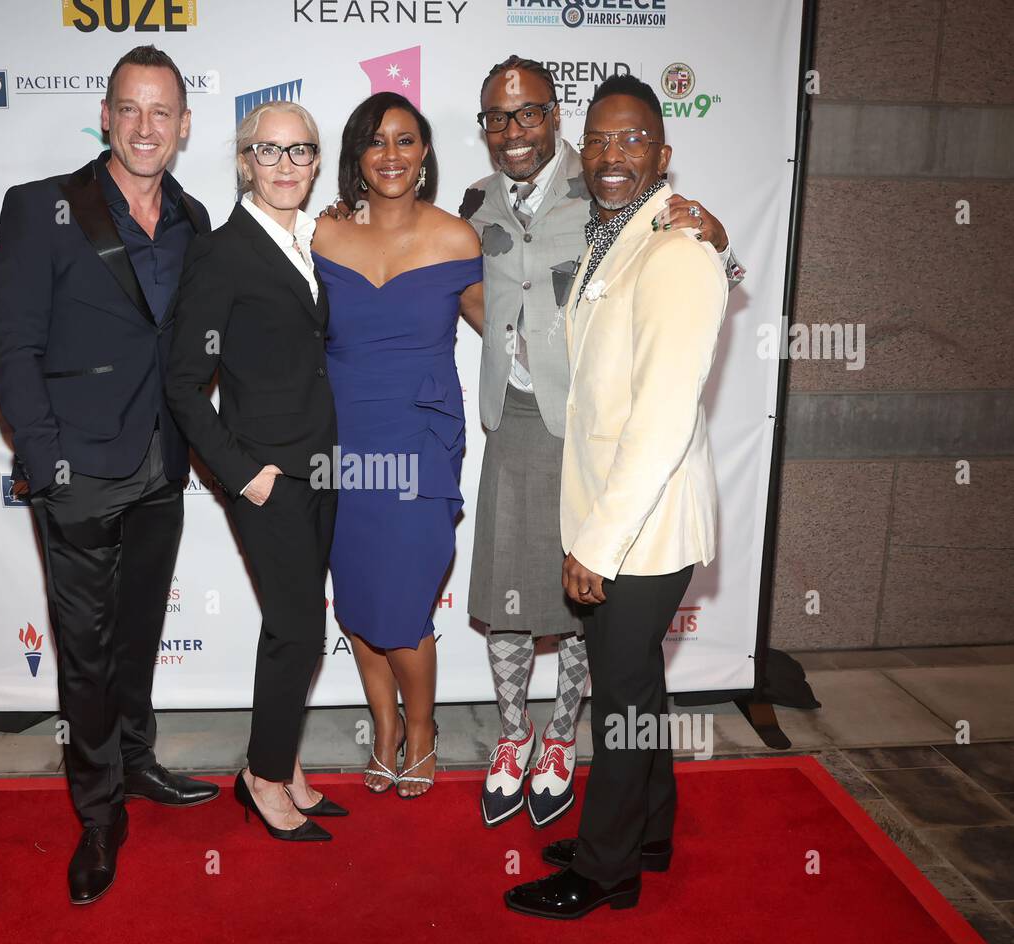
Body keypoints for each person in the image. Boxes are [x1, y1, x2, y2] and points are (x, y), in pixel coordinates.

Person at [458, 56, 742, 829]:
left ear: (555, 117)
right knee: (511, 600)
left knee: (592, 613)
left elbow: (690, 273)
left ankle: (560, 742)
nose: (513, 131)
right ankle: (514, 738)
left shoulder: (608, 192)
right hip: (515, 423)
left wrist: (718, 238)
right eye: (497, 117)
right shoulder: (473, 202)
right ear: (484, 127)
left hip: (590, 438)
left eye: (528, 114)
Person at [0, 46, 219, 906]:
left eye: (162, 112)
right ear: (106, 115)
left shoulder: (194, 217)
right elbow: (13, 344)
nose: (146, 127)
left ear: (184, 125)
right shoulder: (42, 207)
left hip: (161, 464)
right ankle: (96, 811)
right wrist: (43, 459)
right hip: (77, 470)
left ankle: (135, 758)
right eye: (131, 109)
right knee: (83, 653)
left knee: (135, 635)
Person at [166, 101, 347, 841]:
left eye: (300, 151)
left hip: (322, 469)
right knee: (300, 631)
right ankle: (262, 776)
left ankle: (285, 761)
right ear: (244, 161)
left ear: (314, 161)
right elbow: (183, 381)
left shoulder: (310, 240)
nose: (284, 165)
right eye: (267, 151)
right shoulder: (221, 251)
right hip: (268, 477)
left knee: (294, 627)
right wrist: (241, 473)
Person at [311, 92, 482, 798]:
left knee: (405, 606)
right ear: (356, 157)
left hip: (419, 442)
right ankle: (382, 731)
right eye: (376, 142)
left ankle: (422, 730)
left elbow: (508, 337)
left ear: (425, 155)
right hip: (343, 441)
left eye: (406, 141)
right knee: (355, 604)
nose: (391, 154)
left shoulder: (456, 239)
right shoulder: (321, 238)